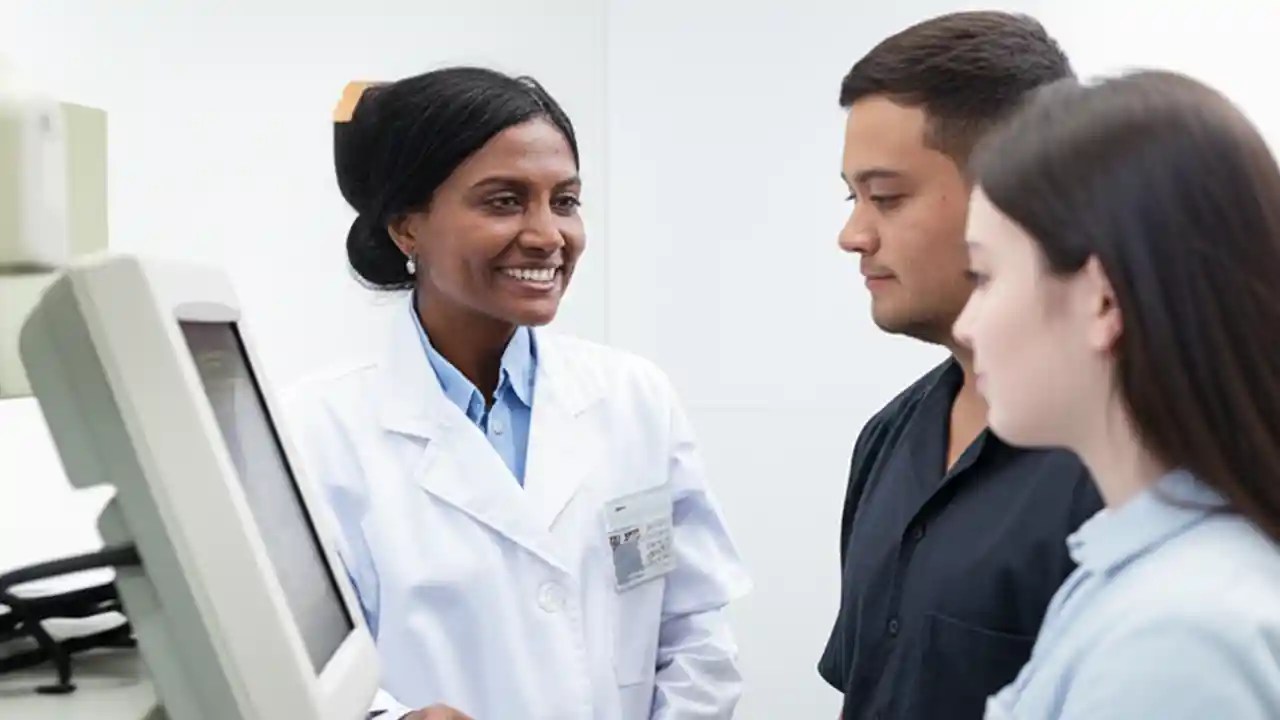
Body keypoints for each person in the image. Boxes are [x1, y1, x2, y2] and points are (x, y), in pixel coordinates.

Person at [288, 67, 751, 720]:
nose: (547, 234)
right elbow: (305, 672)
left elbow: (694, 628)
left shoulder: (634, 400)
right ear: (407, 227)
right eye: (504, 200)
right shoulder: (314, 431)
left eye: (564, 200)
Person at [958, 70, 1280, 720]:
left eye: (984, 275)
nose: (966, 325)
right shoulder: (1142, 576)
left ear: (1102, 299)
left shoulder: (1179, 639)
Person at [818, 12, 1103, 720]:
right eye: (851, 198)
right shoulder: (889, 439)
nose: (853, 234)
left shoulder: (1124, 462)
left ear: (1014, 195)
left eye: (885, 197)